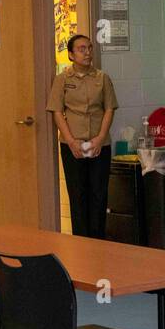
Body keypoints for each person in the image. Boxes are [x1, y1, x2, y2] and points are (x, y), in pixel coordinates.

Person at [47, 34, 118, 238]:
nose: (87, 53)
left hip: (99, 144)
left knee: (99, 195)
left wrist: (100, 137)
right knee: (78, 196)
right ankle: (82, 244)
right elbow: (57, 112)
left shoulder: (102, 78)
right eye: (81, 49)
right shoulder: (62, 80)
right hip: (73, 145)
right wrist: (70, 141)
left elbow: (109, 109)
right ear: (71, 54)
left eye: (89, 48)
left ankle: (99, 242)